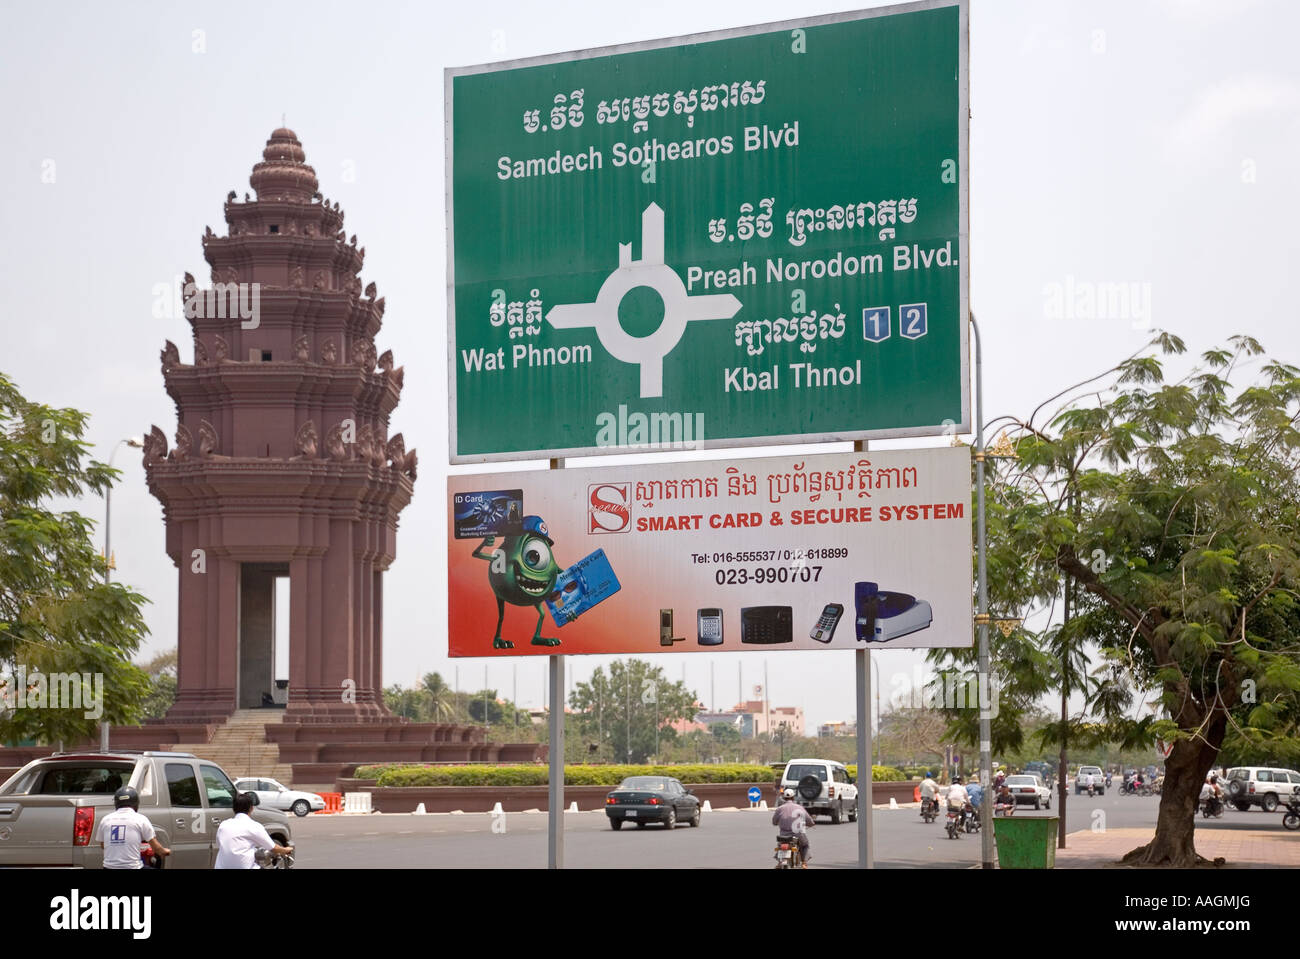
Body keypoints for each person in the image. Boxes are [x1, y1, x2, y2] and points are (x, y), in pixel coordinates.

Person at [97, 786, 170, 870]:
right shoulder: (141, 819)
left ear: (116, 803)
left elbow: (103, 845)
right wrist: (166, 851)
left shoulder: (105, 820)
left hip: (108, 867)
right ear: (136, 803)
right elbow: (157, 848)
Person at [214, 792, 294, 869]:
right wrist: (286, 850)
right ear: (251, 808)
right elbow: (273, 848)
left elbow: (220, 844)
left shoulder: (223, 825)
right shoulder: (254, 826)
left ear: (234, 809)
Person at [771, 787, 815, 866]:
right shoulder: (799, 808)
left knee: (780, 846)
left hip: (783, 836)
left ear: (784, 798)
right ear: (793, 797)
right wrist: (811, 824)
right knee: (805, 845)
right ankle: (804, 863)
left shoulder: (779, 809)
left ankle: (780, 862)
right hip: (798, 835)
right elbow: (809, 820)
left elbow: (774, 822)